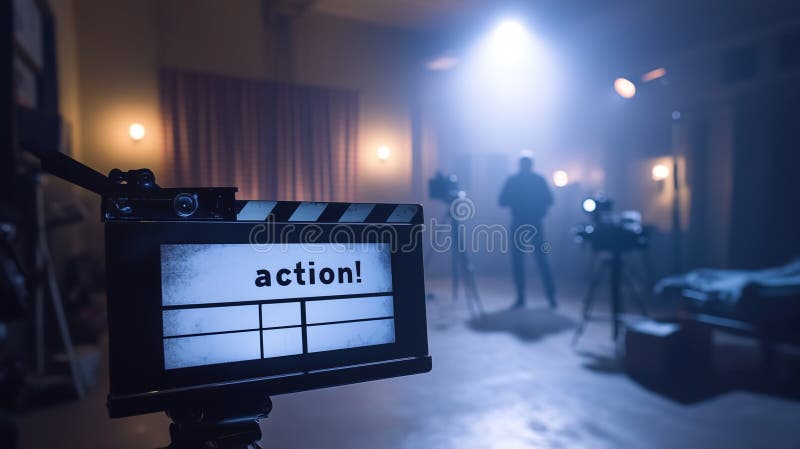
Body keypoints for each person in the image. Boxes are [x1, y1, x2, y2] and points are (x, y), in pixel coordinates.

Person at [499, 152, 557, 309]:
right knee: (536, 260)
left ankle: (526, 297)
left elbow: (502, 201)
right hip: (530, 222)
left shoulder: (515, 180)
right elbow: (503, 200)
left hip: (525, 222)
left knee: (526, 260)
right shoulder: (537, 180)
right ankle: (546, 296)